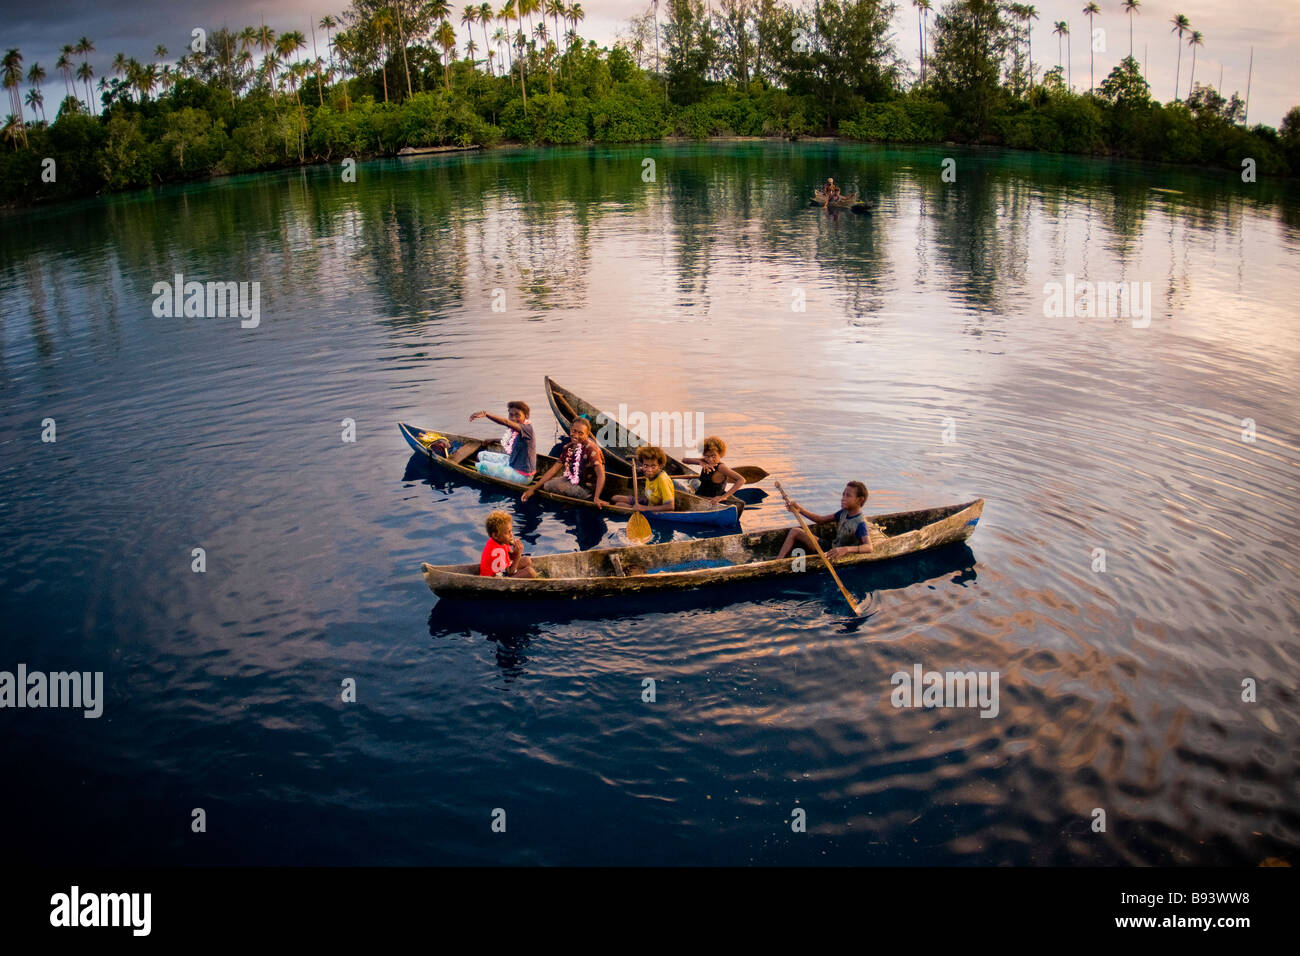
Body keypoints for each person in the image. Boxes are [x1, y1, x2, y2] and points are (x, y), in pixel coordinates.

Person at [776, 481, 873, 560]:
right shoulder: (844, 513)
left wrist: (846, 549)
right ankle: (778, 562)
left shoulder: (860, 523)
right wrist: (800, 510)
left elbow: (869, 547)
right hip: (830, 547)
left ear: (860, 500)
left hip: (837, 555)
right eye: (843, 495)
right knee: (795, 531)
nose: (843, 498)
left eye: (848, 496)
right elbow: (820, 520)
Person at [522, 417, 607, 504]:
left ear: (587, 434)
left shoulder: (592, 449)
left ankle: (586, 498)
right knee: (547, 485)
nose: (576, 435)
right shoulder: (568, 447)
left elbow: (601, 475)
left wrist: (596, 498)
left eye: (580, 433)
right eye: (574, 431)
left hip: (587, 488)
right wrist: (532, 489)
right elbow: (553, 470)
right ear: (570, 430)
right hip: (573, 480)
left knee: (553, 486)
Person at [470, 401, 536, 485]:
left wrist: (486, 414)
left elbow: (506, 422)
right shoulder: (517, 430)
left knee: (482, 465)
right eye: (511, 415)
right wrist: (494, 440)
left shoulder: (527, 429)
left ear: (526, 416)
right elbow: (511, 441)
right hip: (513, 462)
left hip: (522, 476)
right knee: (481, 455)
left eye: (517, 415)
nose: (513, 418)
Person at [611, 445, 676, 513]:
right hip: (648, 502)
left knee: (618, 505)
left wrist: (644, 508)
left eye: (653, 466)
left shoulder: (663, 480)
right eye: (646, 466)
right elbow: (648, 467)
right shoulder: (648, 472)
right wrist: (642, 469)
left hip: (655, 509)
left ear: (660, 466)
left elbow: (670, 506)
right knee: (615, 498)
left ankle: (633, 508)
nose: (649, 470)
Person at [479, 510, 536, 578]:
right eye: (508, 532)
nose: (511, 535)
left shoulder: (501, 542)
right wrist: (518, 555)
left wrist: (516, 551)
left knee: (527, 560)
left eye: (511, 531)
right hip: (496, 578)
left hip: (504, 571)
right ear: (495, 536)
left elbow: (510, 556)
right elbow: (509, 572)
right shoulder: (497, 550)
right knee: (530, 572)